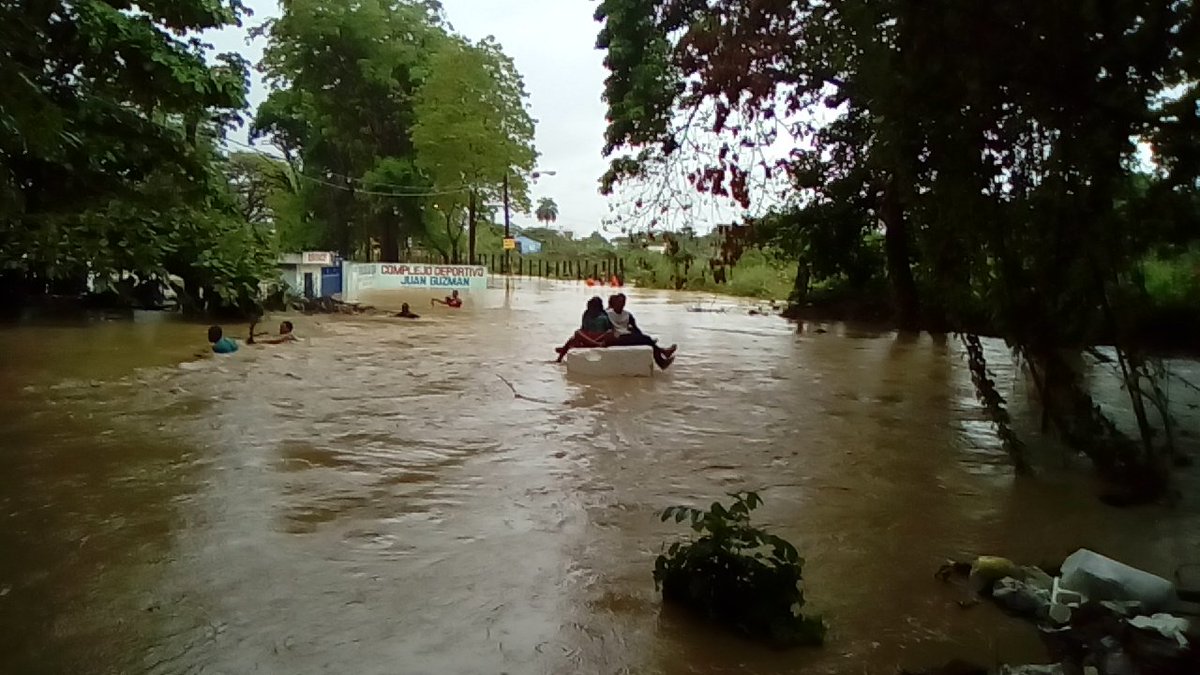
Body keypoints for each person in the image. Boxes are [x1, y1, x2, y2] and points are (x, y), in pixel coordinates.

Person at [606, 293, 676, 369]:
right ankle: (663, 356)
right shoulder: (608, 314)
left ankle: (662, 356)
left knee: (647, 339)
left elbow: (635, 328)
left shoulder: (627, 315)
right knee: (647, 340)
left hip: (627, 335)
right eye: (619, 302)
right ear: (615, 303)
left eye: (623, 302)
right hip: (617, 337)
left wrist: (640, 336)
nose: (621, 304)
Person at [554, 296, 615, 362]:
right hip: (588, 338)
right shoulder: (586, 314)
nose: (591, 308)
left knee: (609, 333)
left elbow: (609, 330)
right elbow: (583, 329)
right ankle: (559, 359)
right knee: (576, 335)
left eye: (593, 306)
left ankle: (569, 348)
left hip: (599, 337)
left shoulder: (604, 316)